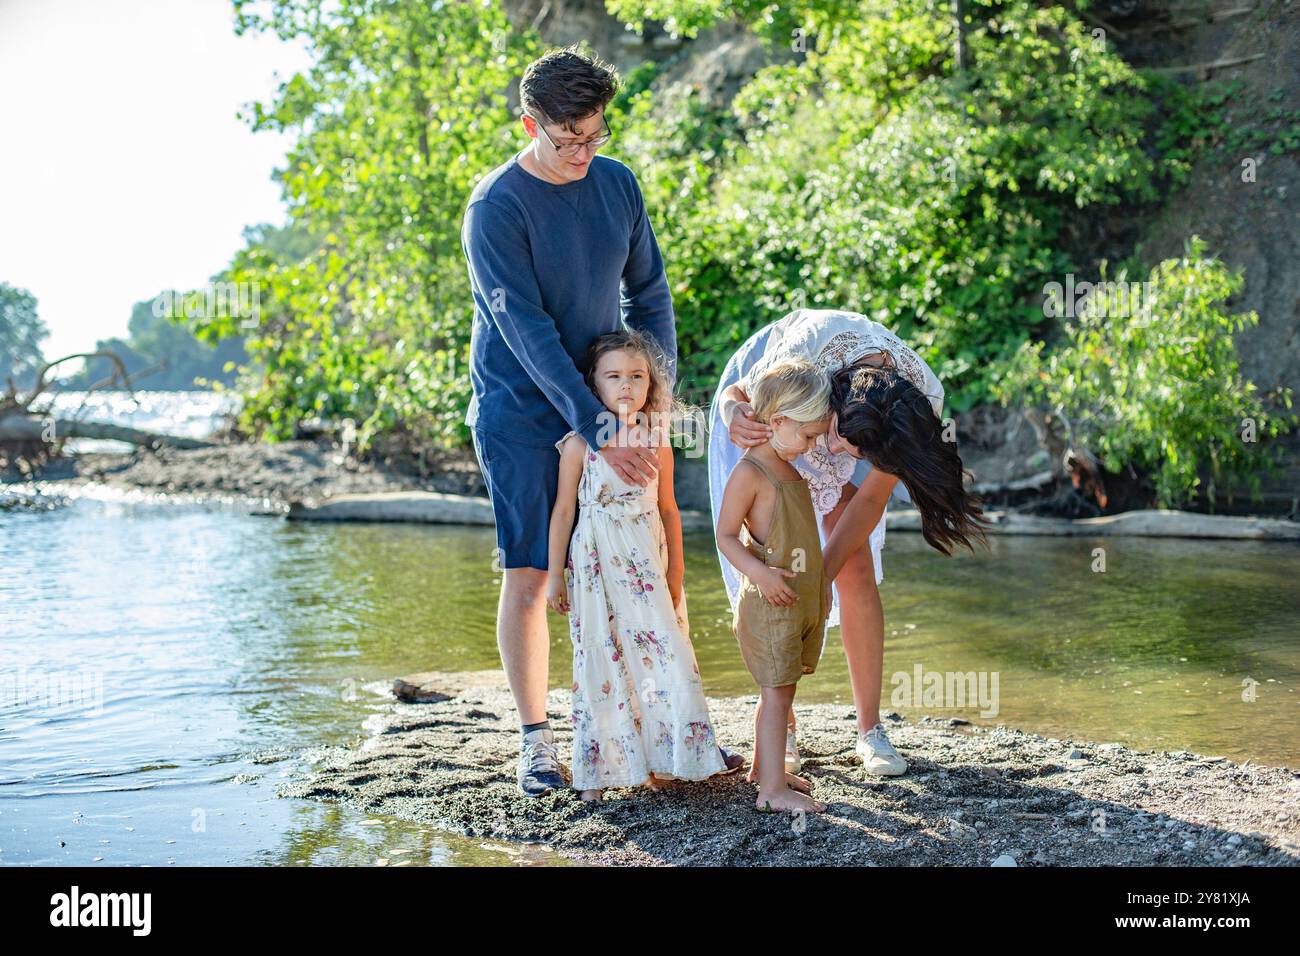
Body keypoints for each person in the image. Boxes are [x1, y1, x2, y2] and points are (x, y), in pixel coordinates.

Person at [460, 46, 677, 796]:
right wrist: (595, 426)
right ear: (530, 124)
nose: (585, 152)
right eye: (568, 139)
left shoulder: (617, 185)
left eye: (596, 135)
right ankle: (534, 741)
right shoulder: (495, 208)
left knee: (626, 560)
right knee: (533, 571)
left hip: (610, 404)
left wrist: (654, 400)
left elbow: (649, 296)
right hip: (522, 410)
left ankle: (631, 727)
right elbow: (526, 331)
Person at [709, 308, 990, 777]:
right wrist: (731, 411)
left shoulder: (920, 400)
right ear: (839, 409)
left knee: (853, 565)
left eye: (854, 454)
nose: (836, 455)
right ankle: (782, 727)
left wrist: (821, 580)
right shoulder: (806, 353)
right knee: (775, 565)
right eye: (840, 441)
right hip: (778, 412)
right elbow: (739, 397)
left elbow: (869, 501)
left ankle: (870, 730)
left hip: (844, 419)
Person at [546, 330, 734, 800]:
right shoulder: (578, 446)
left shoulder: (657, 440)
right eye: (614, 377)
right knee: (601, 653)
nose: (626, 385)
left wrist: (676, 575)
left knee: (663, 652)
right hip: (595, 566)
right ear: (593, 385)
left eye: (637, 376)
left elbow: (669, 510)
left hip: (647, 566)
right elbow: (564, 512)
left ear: (651, 385)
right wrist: (554, 577)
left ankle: (667, 756)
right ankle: (601, 769)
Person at [715, 358, 833, 814]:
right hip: (769, 604)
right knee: (776, 690)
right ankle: (771, 792)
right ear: (778, 421)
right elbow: (726, 536)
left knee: (782, 690)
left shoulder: (790, 468)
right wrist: (759, 573)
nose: (811, 445)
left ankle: (767, 769)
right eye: (806, 435)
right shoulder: (751, 473)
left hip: (797, 602)